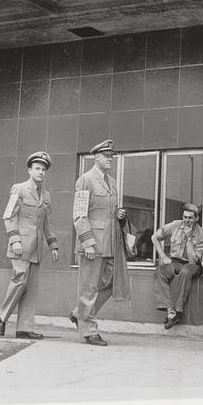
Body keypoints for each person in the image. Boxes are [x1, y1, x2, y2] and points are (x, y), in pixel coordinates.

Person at [69, 139, 131, 346]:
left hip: (110, 242)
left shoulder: (112, 182)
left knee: (111, 282)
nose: (110, 159)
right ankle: (88, 331)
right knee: (88, 287)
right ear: (96, 157)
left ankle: (79, 313)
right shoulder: (85, 180)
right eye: (106, 156)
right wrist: (87, 242)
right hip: (93, 243)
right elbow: (79, 215)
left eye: (111, 156)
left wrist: (119, 214)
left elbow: (109, 212)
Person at [0, 151, 59, 339]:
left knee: (31, 288)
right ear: (30, 170)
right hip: (20, 245)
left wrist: (53, 245)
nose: (41, 172)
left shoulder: (46, 195)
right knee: (19, 280)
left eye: (43, 169)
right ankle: (2, 317)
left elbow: (47, 223)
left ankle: (25, 328)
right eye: (37, 168)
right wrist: (14, 240)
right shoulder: (19, 189)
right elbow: (9, 216)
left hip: (37, 248)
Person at [152, 203, 203, 329]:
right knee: (160, 272)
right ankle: (170, 311)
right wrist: (164, 257)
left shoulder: (202, 234)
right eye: (185, 217)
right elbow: (154, 237)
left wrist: (188, 238)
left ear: (197, 218)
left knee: (186, 272)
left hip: (192, 265)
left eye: (190, 218)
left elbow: (193, 261)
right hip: (175, 262)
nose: (187, 220)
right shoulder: (175, 225)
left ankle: (178, 311)